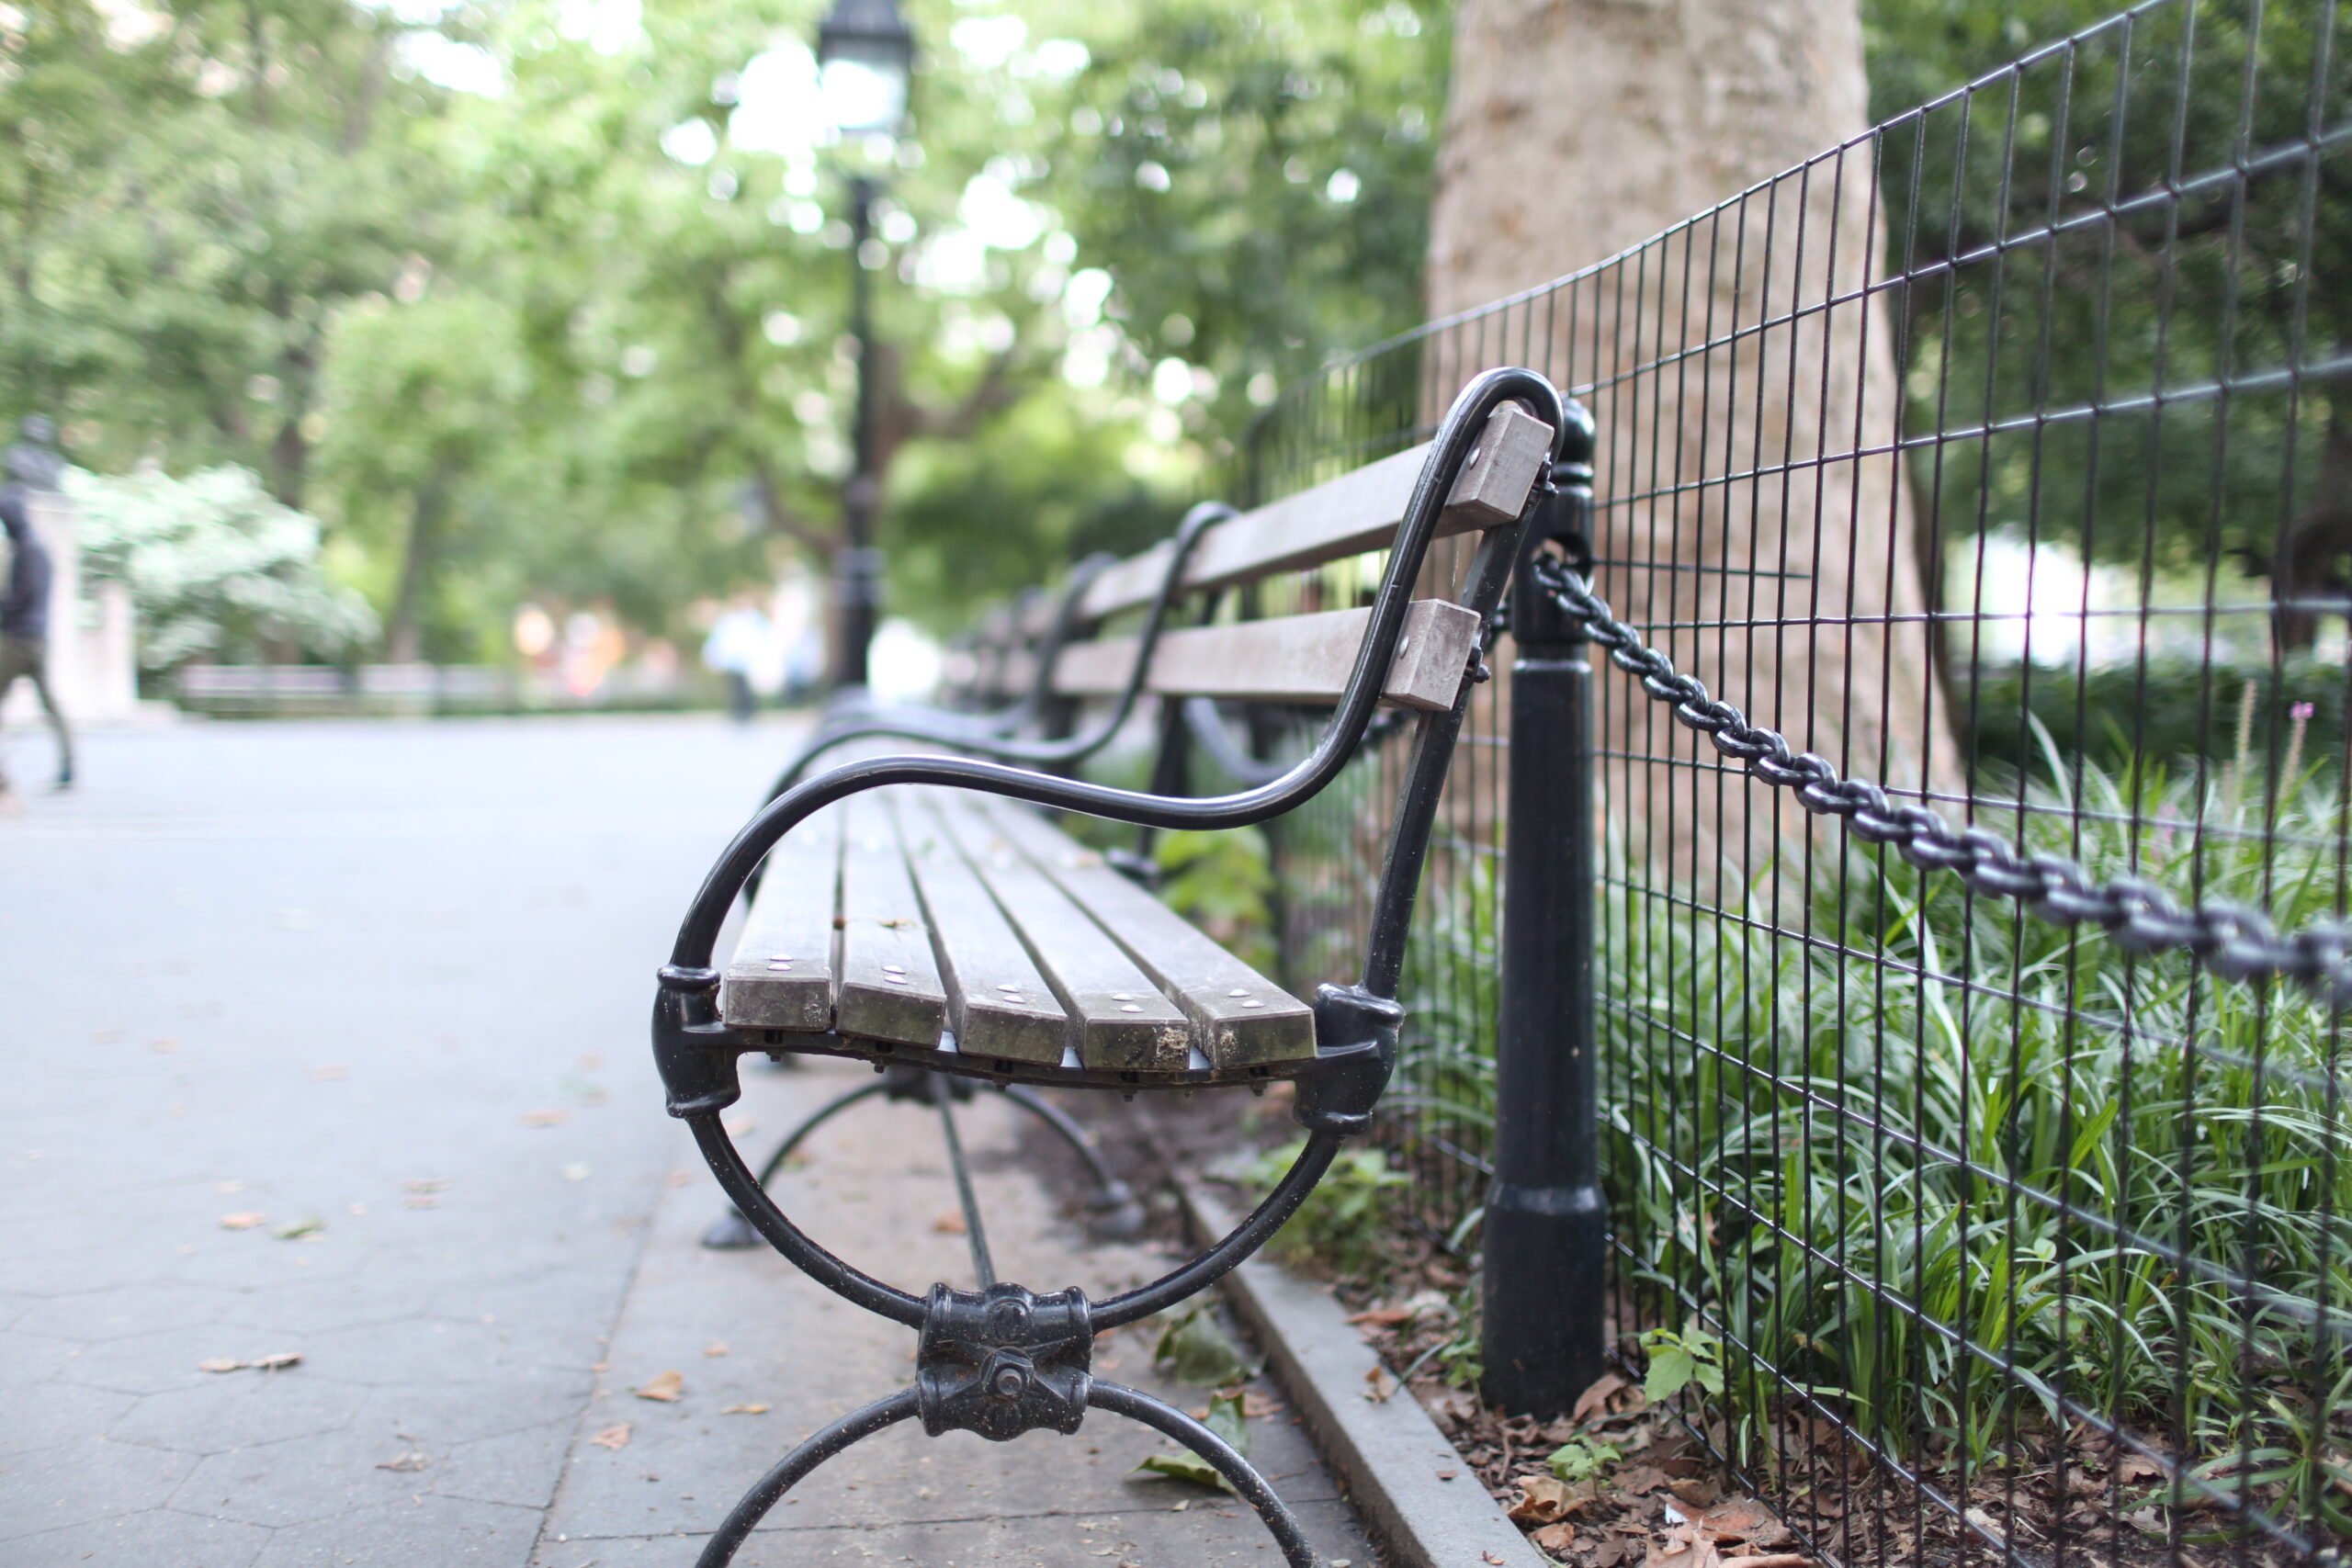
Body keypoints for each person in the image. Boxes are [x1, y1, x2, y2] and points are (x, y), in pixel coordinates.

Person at [0, 460, 74, 805]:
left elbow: (20, 600)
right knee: (52, 704)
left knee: (48, 704)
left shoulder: (27, 552)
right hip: (36, 637)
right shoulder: (38, 550)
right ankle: (68, 765)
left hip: (17, 639)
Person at [702, 594, 771, 724]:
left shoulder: (753, 619)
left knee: (747, 687)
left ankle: (749, 711)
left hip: (748, 660)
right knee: (736, 687)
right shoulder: (730, 619)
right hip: (734, 661)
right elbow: (721, 640)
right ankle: (739, 711)